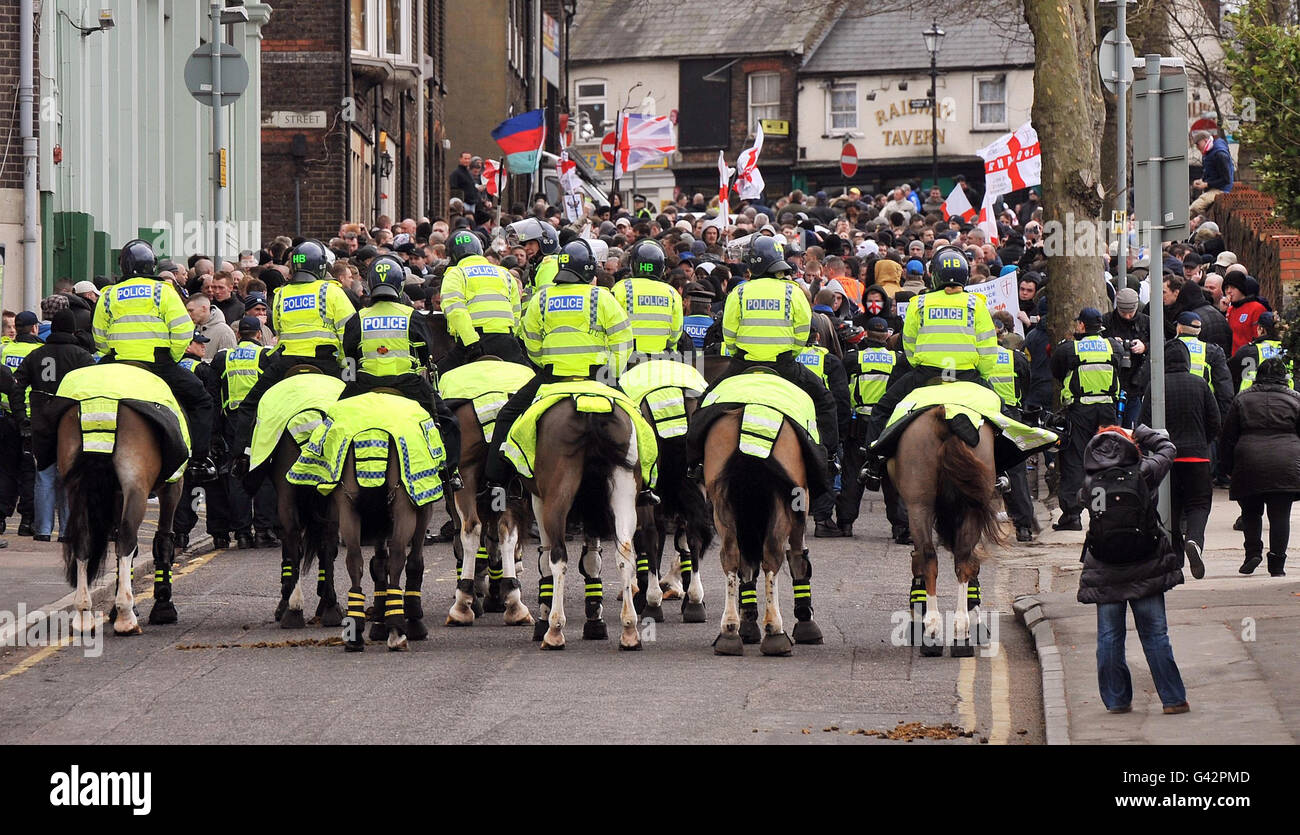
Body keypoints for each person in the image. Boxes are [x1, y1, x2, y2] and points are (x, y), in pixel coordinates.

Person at [483, 240, 639, 496]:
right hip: (598, 377)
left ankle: (497, 484)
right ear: (589, 271)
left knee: (507, 416)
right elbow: (623, 342)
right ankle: (647, 485)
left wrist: (546, 364)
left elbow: (530, 341)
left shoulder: (541, 298)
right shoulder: (602, 297)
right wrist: (610, 373)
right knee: (637, 422)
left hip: (552, 377)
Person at [703, 236, 842, 524]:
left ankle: (695, 463)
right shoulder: (794, 292)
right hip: (785, 365)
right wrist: (785, 353)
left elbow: (728, 334)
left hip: (743, 364)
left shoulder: (739, 293)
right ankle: (826, 460)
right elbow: (803, 333)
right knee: (825, 402)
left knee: (706, 404)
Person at [860, 247, 998, 490]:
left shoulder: (919, 303)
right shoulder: (976, 305)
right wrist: (982, 377)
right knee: (1004, 418)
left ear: (934, 276)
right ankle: (1002, 472)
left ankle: (872, 464)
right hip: (967, 376)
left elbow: (909, 347)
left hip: (926, 375)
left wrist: (920, 366)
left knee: (882, 409)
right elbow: (988, 351)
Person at [1076, 425, 1189, 715]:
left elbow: (1081, 501)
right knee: (1155, 635)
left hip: (1104, 567)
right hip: (1145, 563)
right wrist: (1142, 432)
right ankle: (1173, 699)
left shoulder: (1090, 482)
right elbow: (1169, 449)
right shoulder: (1144, 471)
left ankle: (1117, 701)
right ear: (1130, 446)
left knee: (1109, 637)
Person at [231, 239, 359, 474]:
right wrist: (347, 365)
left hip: (287, 363)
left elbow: (278, 331)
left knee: (250, 405)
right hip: (327, 363)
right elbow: (350, 335)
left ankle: (243, 456)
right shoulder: (331, 292)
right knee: (357, 404)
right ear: (321, 268)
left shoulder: (280, 294)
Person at [93, 240, 217, 481]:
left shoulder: (108, 294)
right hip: (157, 364)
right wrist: (171, 356)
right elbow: (182, 330)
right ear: (151, 266)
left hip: (117, 361)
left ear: (124, 266)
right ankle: (199, 461)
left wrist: (115, 352)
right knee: (202, 400)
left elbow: (99, 336)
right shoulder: (164, 292)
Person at [342, 255, 461, 487]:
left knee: (332, 420)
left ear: (371, 285)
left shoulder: (358, 318)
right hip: (408, 385)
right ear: (400, 285)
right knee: (449, 423)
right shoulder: (411, 316)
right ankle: (450, 474)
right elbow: (425, 350)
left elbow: (350, 354)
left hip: (366, 383)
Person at [7, 309, 93, 541]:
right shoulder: (82, 357)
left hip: (41, 421)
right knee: (69, 474)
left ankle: (43, 530)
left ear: (52, 329)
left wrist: (20, 416)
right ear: (73, 329)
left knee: (43, 474)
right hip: (72, 423)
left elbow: (16, 386)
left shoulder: (36, 355)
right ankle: (66, 531)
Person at [1140, 340, 1219, 579]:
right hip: (1196, 456)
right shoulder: (1200, 384)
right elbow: (1215, 422)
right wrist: (1202, 442)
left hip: (1166, 460)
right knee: (1199, 504)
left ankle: (1175, 558)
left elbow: (1143, 424)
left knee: (1169, 508)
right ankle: (1194, 539)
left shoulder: (1154, 387)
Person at [1220, 357, 1300, 577]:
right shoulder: (1295, 400)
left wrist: (1226, 467)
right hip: (1285, 461)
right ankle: (1277, 564)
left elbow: (1228, 437)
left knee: (1250, 512)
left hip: (1249, 460)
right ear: (1284, 378)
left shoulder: (1242, 399)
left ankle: (1252, 552)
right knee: (1280, 515)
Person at [1050, 307, 1122, 530]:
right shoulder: (1114, 346)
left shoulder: (1069, 349)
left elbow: (1057, 372)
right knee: (1105, 459)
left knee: (1074, 461)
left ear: (1081, 325)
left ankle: (1072, 515)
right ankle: (1103, 510)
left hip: (1080, 411)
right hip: (1107, 410)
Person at [209, 316, 278, 550]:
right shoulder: (266, 356)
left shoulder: (223, 358)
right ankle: (262, 530)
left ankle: (242, 533)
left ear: (238, 335)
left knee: (236, 474)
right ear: (259, 334)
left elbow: (214, 398)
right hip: (261, 421)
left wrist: (216, 432)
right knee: (263, 474)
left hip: (233, 423)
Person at [838, 317, 906, 541]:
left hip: (859, 424)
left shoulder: (853, 358)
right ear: (886, 336)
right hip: (889, 426)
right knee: (892, 477)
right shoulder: (898, 359)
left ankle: (845, 524)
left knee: (853, 475)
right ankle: (899, 527)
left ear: (866, 335)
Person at [438, 230, 525, 371]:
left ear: (452, 255)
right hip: (506, 340)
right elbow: (516, 310)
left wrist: (471, 343)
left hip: (474, 340)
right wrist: (510, 337)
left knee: (441, 376)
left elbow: (456, 311)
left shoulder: (456, 274)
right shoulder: (504, 273)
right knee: (527, 377)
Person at [172, 330, 226, 547]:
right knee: (212, 485)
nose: (203, 346)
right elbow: (213, 403)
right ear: (187, 347)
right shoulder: (203, 370)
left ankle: (181, 533)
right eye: (198, 343)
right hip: (201, 435)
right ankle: (219, 532)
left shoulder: (173, 370)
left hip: (177, 433)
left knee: (183, 486)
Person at [990, 313, 1036, 542]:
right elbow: (1026, 386)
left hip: (984, 416)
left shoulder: (975, 358)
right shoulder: (1015, 358)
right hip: (1011, 416)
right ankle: (1024, 527)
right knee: (1017, 471)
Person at [612, 239, 685, 357]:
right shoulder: (671, 293)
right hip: (660, 358)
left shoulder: (621, 288)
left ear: (633, 265)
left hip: (627, 359)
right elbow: (676, 333)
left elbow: (610, 326)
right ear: (662, 267)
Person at [1102, 288, 1149, 428]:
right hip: (1111, 383)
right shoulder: (1106, 321)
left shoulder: (1146, 322)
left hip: (1136, 382)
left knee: (1133, 429)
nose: (1128, 317)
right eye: (1123, 313)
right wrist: (1110, 343)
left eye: (1131, 313)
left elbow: (1161, 345)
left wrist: (1145, 347)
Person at [1229, 311, 1291, 392]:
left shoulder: (1248, 351)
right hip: (1287, 400)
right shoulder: (1290, 352)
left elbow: (1228, 373)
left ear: (1261, 329)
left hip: (1250, 400)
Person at [507, 217, 560, 292]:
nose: (526, 248)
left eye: (531, 243)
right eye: (525, 245)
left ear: (545, 243)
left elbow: (545, 298)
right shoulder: (538, 266)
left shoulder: (550, 264)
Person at [1189, 130, 1234, 216]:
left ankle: (1204, 221)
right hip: (1213, 187)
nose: (1197, 148)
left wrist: (1206, 184)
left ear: (1205, 140)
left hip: (1221, 190)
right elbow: (1212, 172)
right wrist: (1202, 180)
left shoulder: (1220, 154)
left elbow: (1226, 179)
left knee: (1195, 207)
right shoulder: (1209, 151)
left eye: (1198, 144)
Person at [1223, 272, 1270, 356]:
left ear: (1241, 289)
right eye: (1226, 288)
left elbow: (1259, 337)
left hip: (1249, 358)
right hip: (1233, 358)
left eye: (1233, 287)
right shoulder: (1230, 309)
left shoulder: (1257, 308)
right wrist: (1222, 312)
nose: (1229, 291)